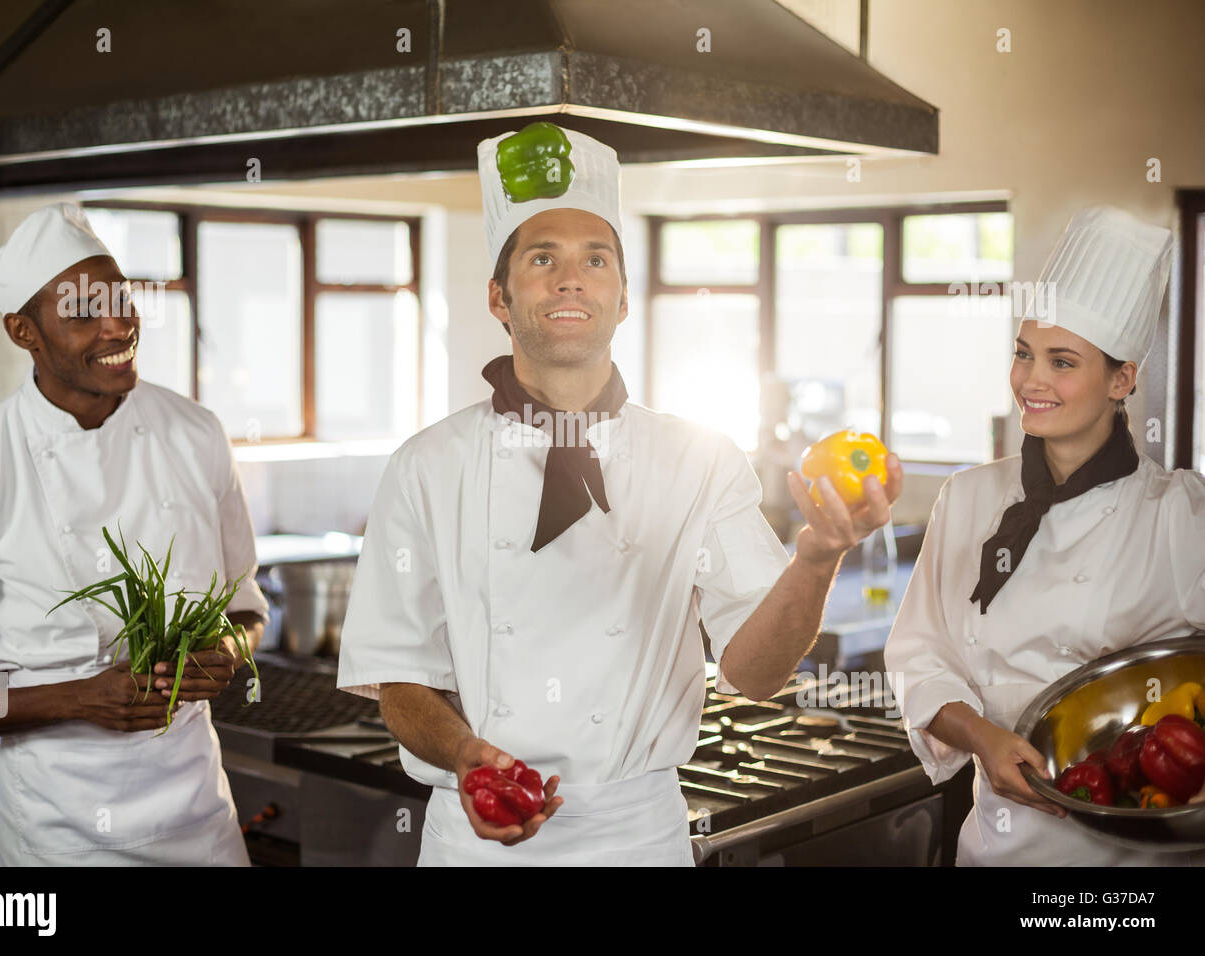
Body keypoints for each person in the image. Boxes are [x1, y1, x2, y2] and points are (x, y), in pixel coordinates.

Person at [336, 123, 902, 865]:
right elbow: (399, 679)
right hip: (474, 839)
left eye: (594, 259)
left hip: (636, 839)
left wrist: (818, 557)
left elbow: (754, 674)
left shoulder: (698, 458)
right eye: (543, 259)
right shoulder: (427, 465)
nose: (571, 279)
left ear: (623, 298)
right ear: (498, 298)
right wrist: (468, 756)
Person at [0, 202, 269, 865]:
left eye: (120, 298)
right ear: (23, 332)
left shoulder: (196, 434)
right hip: (58, 836)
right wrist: (79, 698)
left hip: (200, 823)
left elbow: (244, 607)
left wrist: (225, 648)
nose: (116, 324)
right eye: (80, 311)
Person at [884, 205, 1205, 866]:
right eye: (1025, 354)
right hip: (998, 847)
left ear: (1123, 379)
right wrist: (982, 738)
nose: (1032, 380)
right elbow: (920, 656)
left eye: (1062, 362)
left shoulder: (1181, 514)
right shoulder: (968, 499)